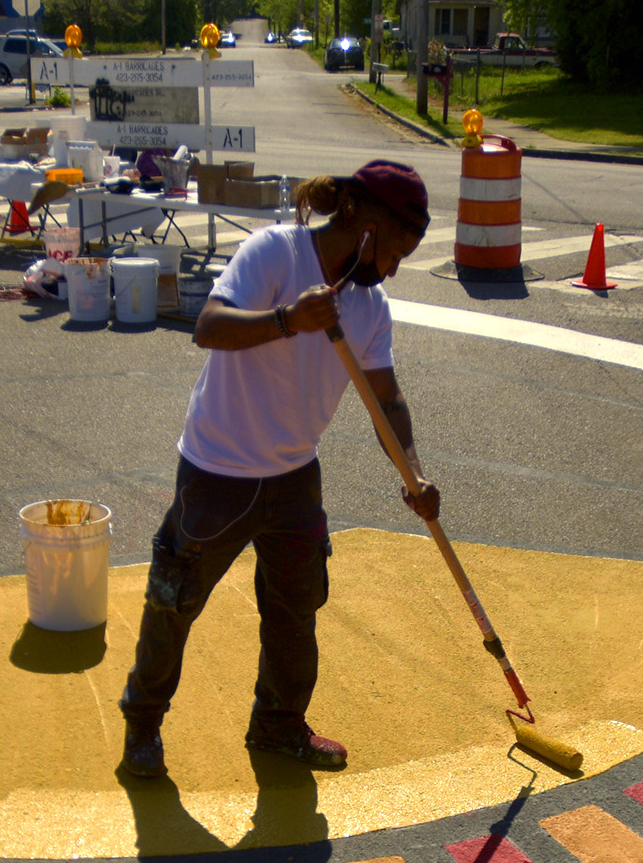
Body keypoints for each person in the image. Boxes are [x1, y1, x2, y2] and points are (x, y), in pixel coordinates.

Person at [116, 160, 439, 780]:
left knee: (296, 608)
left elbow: (386, 399)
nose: (395, 266)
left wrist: (413, 474)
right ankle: (143, 726)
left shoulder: (370, 307)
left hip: (294, 475)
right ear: (364, 225)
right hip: (217, 467)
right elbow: (209, 327)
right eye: (397, 248)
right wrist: (289, 320)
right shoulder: (274, 252)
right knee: (174, 601)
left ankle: (278, 726)